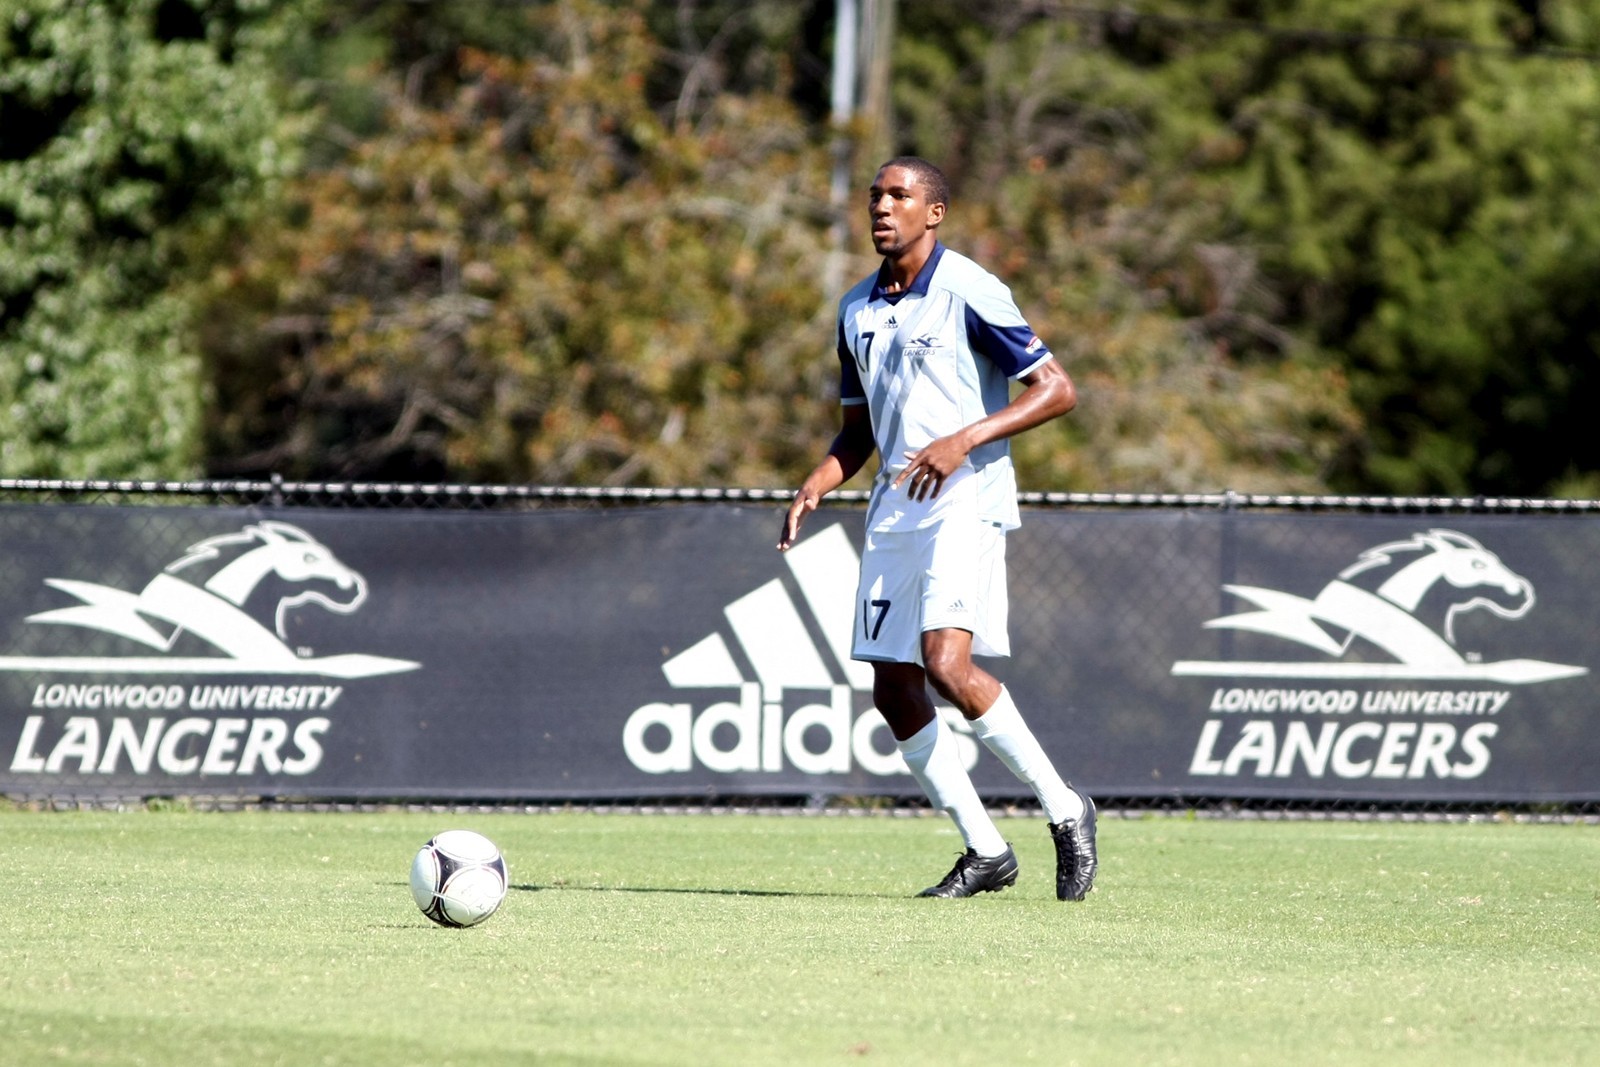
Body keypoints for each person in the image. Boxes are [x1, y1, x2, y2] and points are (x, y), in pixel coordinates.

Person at [778, 156, 1097, 901]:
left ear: (935, 212)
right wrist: (817, 482)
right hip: (894, 508)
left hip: (966, 496)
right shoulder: (855, 308)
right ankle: (985, 848)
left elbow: (1058, 390)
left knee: (945, 663)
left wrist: (965, 439)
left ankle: (1063, 804)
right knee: (893, 686)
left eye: (901, 195)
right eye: (875, 196)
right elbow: (856, 433)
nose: (883, 207)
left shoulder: (968, 288)